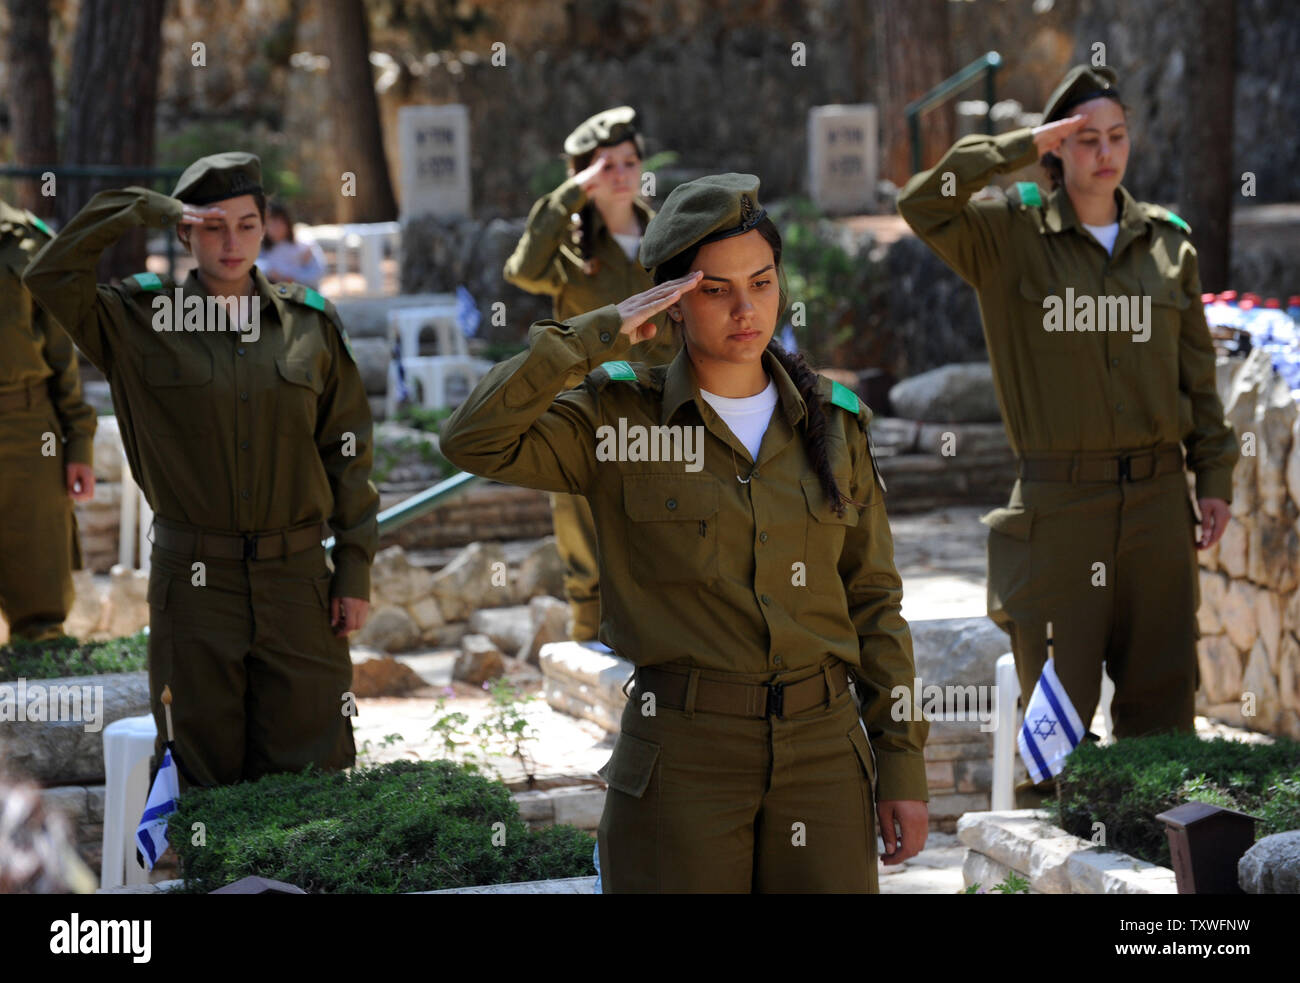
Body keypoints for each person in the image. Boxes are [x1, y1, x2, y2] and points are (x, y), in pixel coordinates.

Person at [443, 173, 929, 892]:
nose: (745, 308)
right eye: (714, 290)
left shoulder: (833, 422)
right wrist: (591, 335)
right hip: (683, 755)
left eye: (761, 283)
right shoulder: (617, 419)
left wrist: (902, 762)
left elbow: (875, 603)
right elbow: (471, 438)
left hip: (824, 752)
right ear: (671, 301)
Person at [897, 65, 1238, 800]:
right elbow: (922, 203)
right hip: (1058, 511)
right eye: (1085, 139)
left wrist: (1213, 479)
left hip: (1155, 506)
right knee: (1055, 728)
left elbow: (1198, 380)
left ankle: (1151, 861)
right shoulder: (1008, 235)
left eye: (1117, 136)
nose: (1105, 152)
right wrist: (1012, 146)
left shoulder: (1167, 245)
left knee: (1164, 712)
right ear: (1056, 149)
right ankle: (1056, 863)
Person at [23, 152, 379, 788]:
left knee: (313, 772)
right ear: (185, 232)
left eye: (246, 224)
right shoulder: (136, 319)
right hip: (195, 585)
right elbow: (50, 273)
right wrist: (142, 205)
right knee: (202, 772)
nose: (231, 241)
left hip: (299, 583)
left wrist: (353, 567)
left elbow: (347, 453)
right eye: (212, 225)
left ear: (266, 227)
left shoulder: (310, 325)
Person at [503, 106, 680, 644]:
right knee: (587, 543)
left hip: (662, 410)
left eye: (630, 162)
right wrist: (571, 194)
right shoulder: (572, 248)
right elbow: (523, 270)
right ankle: (589, 649)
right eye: (606, 165)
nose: (622, 174)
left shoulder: (666, 237)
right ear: (583, 173)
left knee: (667, 540)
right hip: (587, 413)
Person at [0, 199, 96, 642]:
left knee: (40, 613)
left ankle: (37, 706)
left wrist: (77, 444)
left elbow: (62, 357)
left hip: (26, 431)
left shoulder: (27, 241)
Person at [259, 201, 326, 288]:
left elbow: (317, 273)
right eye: (271, 223)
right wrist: (269, 271)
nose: (275, 228)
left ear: (287, 222)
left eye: (279, 223)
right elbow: (254, 267)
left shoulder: (304, 244)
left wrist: (293, 277)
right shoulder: (261, 248)